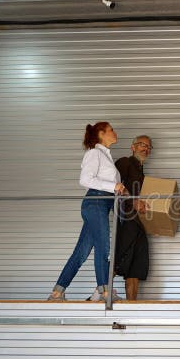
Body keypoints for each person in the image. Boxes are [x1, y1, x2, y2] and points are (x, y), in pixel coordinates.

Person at [48, 122, 126, 302]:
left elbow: (110, 185)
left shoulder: (106, 156)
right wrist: (112, 185)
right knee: (103, 248)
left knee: (81, 252)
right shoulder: (94, 153)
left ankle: (57, 292)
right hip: (96, 202)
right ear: (101, 133)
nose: (115, 132)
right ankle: (106, 292)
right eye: (111, 130)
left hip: (101, 205)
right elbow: (85, 179)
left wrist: (120, 189)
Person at [114, 135, 153, 300]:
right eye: (142, 145)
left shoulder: (144, 175)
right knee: (119, 259)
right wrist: (133, 201)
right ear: (133, 147)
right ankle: (101, 291)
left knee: (136, 266)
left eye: (148, 146)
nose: (146, 148)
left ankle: (132, 305)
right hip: (126, 219)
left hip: (140, 223)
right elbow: (115, 184)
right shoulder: (125, 162)